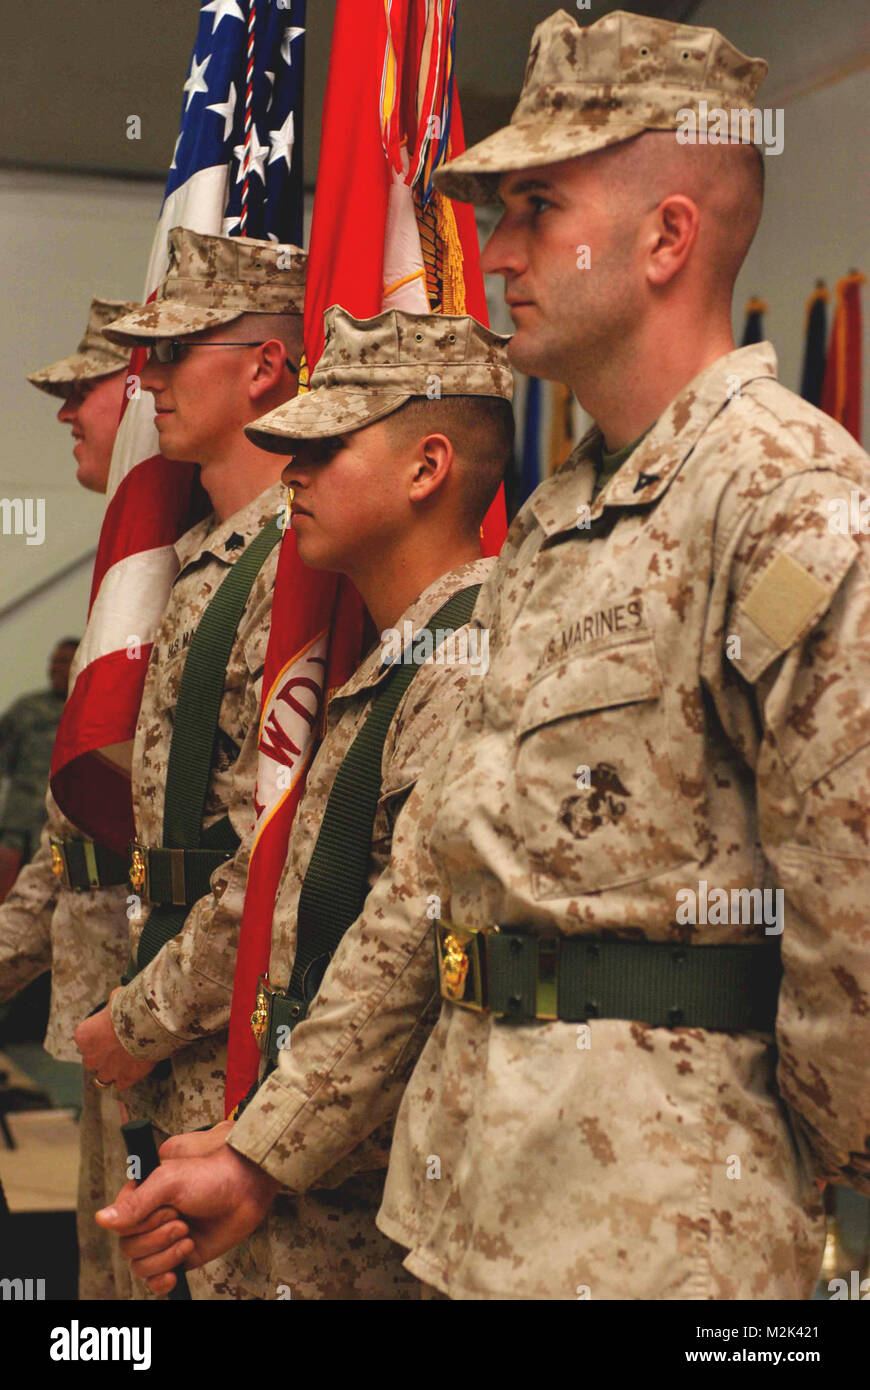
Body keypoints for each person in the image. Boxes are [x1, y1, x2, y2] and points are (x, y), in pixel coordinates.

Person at [105, 7, 870, 1302]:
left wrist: (774, 1159)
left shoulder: (784, 496)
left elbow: (849, 908)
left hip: (665, 1243)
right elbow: (428, 885)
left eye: (530, 208)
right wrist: (260, 1154)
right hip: (469, 1221)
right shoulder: (554, 522)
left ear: (663, 238)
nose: (495, 251)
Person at [97, 304, 512, 1299]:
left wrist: (255, 1146)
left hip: (370, 1200)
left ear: (428, 468)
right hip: (302, 1166)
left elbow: (400, 954)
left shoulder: (472, 667)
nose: (292, 474)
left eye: (325, 449)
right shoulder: (387, 656)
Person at [73, 225, 306, 1298]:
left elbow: (271, 852)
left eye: (176, 353)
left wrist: (138, 1020)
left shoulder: (298, 563)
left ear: (265, 366)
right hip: (169, 1034)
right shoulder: (204, 552)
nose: (148, 378)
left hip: (233, 1053)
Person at [0, 295, 139, 1297]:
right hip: (106, 1008)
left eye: (78, 392)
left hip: (164, 1025)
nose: (64, 416)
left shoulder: (183, 576)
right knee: (104, 1283)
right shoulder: (127, 578)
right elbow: (69, 847)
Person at [0, 637, 78, 885]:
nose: (54, 667)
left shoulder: (87, 712)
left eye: (63, 661)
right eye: (53, 661)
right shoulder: (27, 709)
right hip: (17, 830)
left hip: (64, 834)